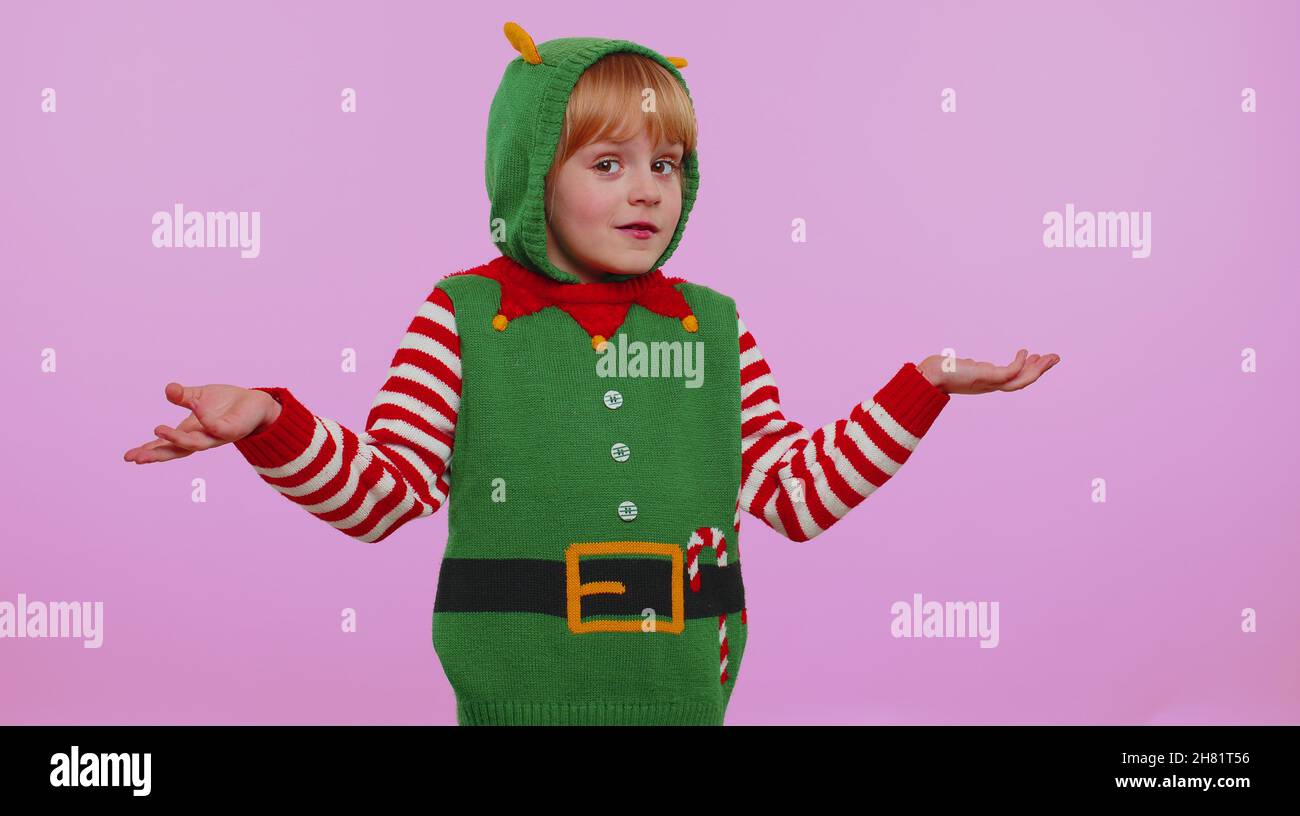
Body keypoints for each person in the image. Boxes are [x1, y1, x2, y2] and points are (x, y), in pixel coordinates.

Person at [123, 22, 1060, 725]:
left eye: (667, 162)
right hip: (514, 690)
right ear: (533, 175)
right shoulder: (462, 317)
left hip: (683, 688)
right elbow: (385, 495)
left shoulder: (713, 325)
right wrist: (267, 421)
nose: (647, 188)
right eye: (607, 163)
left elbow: (794, 496)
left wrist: (923, 387)